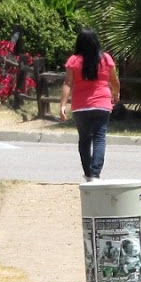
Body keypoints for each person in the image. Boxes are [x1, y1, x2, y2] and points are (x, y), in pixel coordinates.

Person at [60, 28, 120, 180]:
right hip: (102, 104)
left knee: (84, 139)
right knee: (99, 138)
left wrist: (62, 104)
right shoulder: (106, 59)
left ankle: (88, 174)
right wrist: (115, 93)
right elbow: (114, 81)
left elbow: (68, 83)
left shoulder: (73, 60)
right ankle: (96, 173)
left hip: (81, 106)